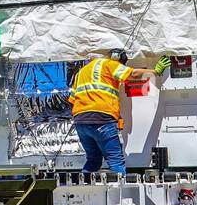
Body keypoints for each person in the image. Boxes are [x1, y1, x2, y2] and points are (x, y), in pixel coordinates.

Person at [70, 48, 169, 178]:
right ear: (117, 59)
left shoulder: (81, 72)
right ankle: (120, 194)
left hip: (80, 122)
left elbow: (72, 99)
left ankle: (84, 187)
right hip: (102, 120)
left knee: (93, 161)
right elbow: (132, 74)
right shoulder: (109, 64)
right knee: (115, 161)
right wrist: (155, 72)